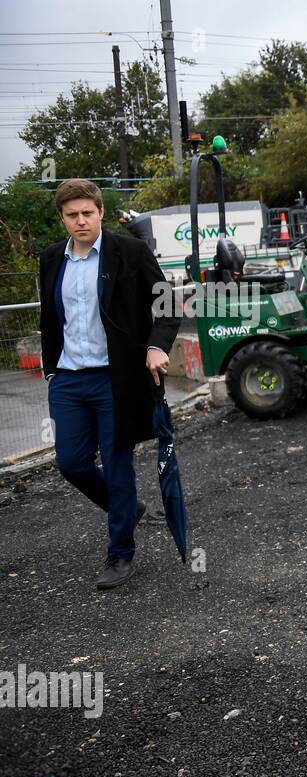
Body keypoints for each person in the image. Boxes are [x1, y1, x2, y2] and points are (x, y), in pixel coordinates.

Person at [39, 179, 179, 589]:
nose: (80, 221)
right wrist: (51, 368)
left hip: (114, 380)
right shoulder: (52, 260)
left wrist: (156, 346)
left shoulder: (129, 253)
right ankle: (127, 508)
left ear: (100, 212)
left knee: (117, 466)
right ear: (62, 218)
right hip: (67, 378)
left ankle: (120, 554)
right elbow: (50, 318)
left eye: (87, 213)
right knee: (71, 463)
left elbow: (167, 303)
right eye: (71, 215)